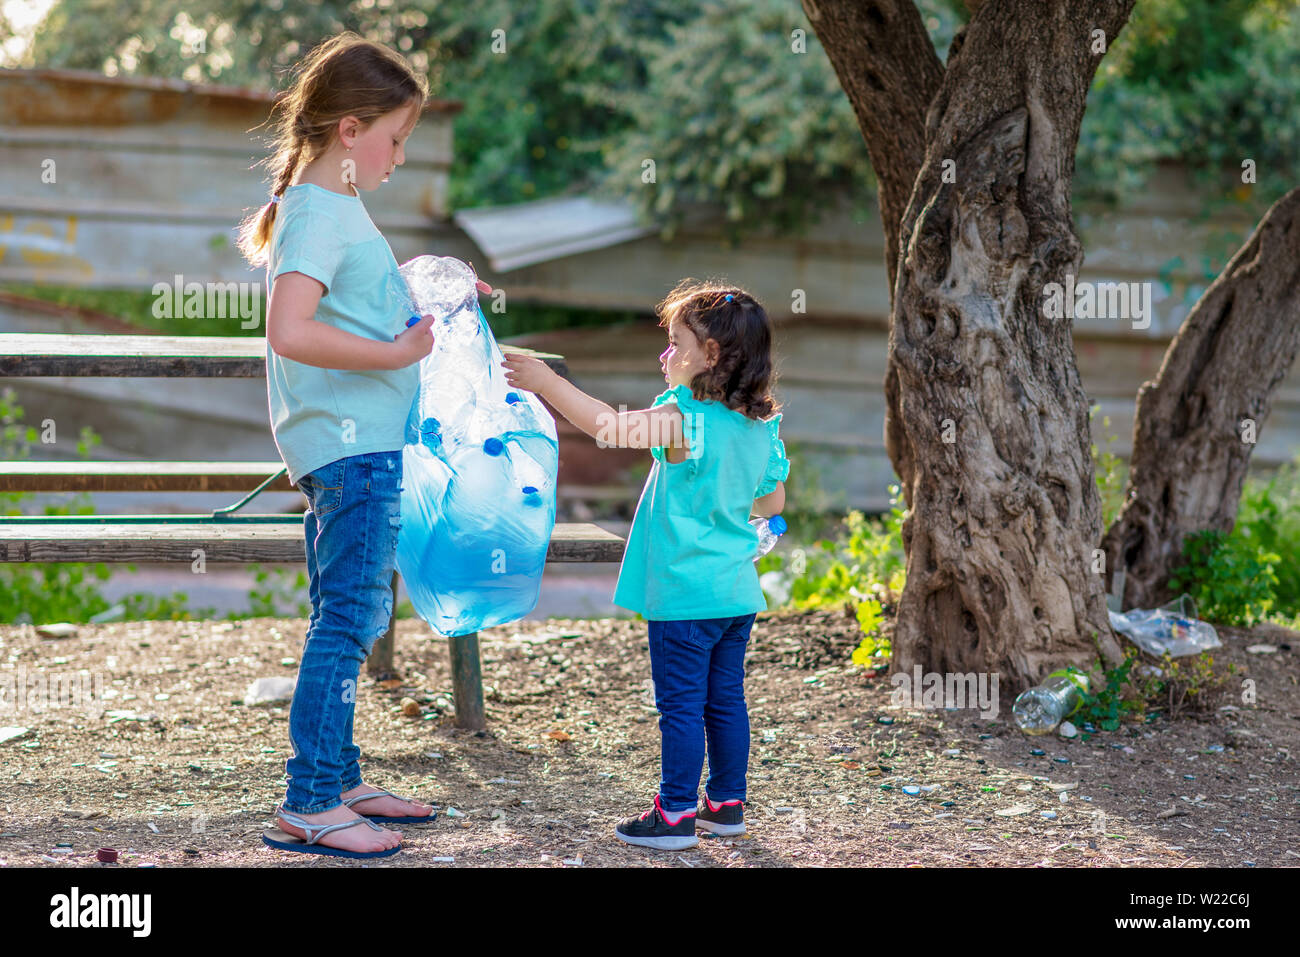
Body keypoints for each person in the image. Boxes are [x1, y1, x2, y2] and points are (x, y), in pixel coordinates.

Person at [237, 32, 488, 859]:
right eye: (394, 136)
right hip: (352, 454)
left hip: (359, 449)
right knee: (347, 620)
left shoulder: (333, 211)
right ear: (350, 129)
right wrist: (395, 356)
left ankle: (339, 778)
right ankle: (308, 801)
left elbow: (362, 297)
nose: (400, 155)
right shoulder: (315, 211)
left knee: (346, 613)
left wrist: (442, 284)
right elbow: (291, 329)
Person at [502, 280, 789, 850]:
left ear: (710, 356)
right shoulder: (759, 428)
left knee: (681, 706)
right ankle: (726, 804)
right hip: (735, 592)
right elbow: (772, 506)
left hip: (684, 594)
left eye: (676, 342)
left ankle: (676, 813)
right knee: (725, 699)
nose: (665, 354)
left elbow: (608, 428)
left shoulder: (683, 420)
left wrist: (545, 382)